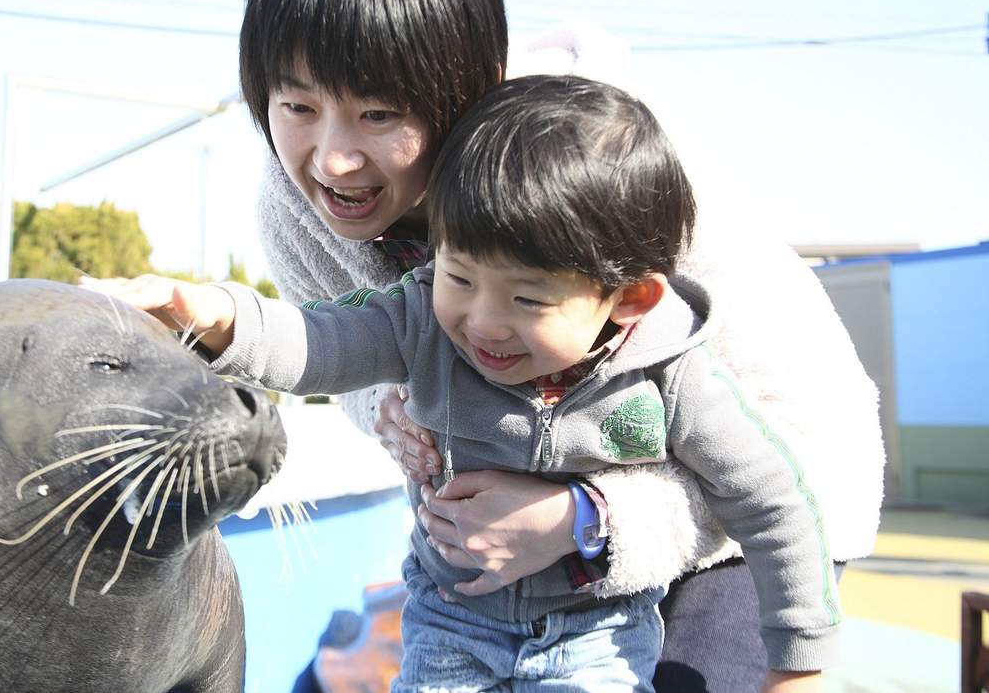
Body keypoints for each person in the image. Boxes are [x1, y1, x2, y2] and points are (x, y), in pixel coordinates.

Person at [236, 0, 882, 693]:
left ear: (465, 90)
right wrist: (392, 414)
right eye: (296, 105)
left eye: (377, 113)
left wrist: (586, 521)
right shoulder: (293, 206)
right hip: (532, 539)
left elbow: (779, 464)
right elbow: (364, 359)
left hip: (750, 503)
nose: (330, 158)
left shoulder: (601, 184)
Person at [103, 74, 844, 691]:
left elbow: (773, 502)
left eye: (528, 298)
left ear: (628, 299)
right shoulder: (422, 317)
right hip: (451, 627)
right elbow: (320, 338)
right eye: (458, 275)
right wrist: (219, 317)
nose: (482, 322)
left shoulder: (672, 373)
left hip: (599, 635)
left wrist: (798, 660)